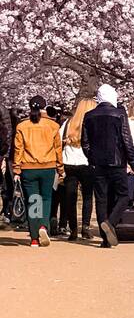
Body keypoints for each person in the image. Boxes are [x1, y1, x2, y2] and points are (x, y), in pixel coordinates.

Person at [82, 84, 134, 247]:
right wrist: (133, 162)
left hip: (97, 164)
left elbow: (84, 143)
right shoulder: (119, 114)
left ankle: (105, 238)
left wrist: (92, 157)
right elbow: (126, 140)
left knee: (101, 199)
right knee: (123, 196)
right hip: (117, 162)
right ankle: (111, 223)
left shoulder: (88, 116)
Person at [13, 95, 64, 247]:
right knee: (46, 198)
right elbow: (58, 149)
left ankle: (34, 237)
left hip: (28, 168)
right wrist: (60, 168)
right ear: (44, 107)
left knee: (33, 200)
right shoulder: (53, 126)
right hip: (48, 166)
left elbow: (18, 149)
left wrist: (16, 169)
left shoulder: (22, 126)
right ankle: (43, 226)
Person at [60, 94, 97, 241]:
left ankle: (73, 228)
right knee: (88, 196)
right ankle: (86, 227)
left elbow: (58, 139)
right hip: (87, 163)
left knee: (70, 196)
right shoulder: (93, 123)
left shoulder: (68, 123)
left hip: (69, 162)